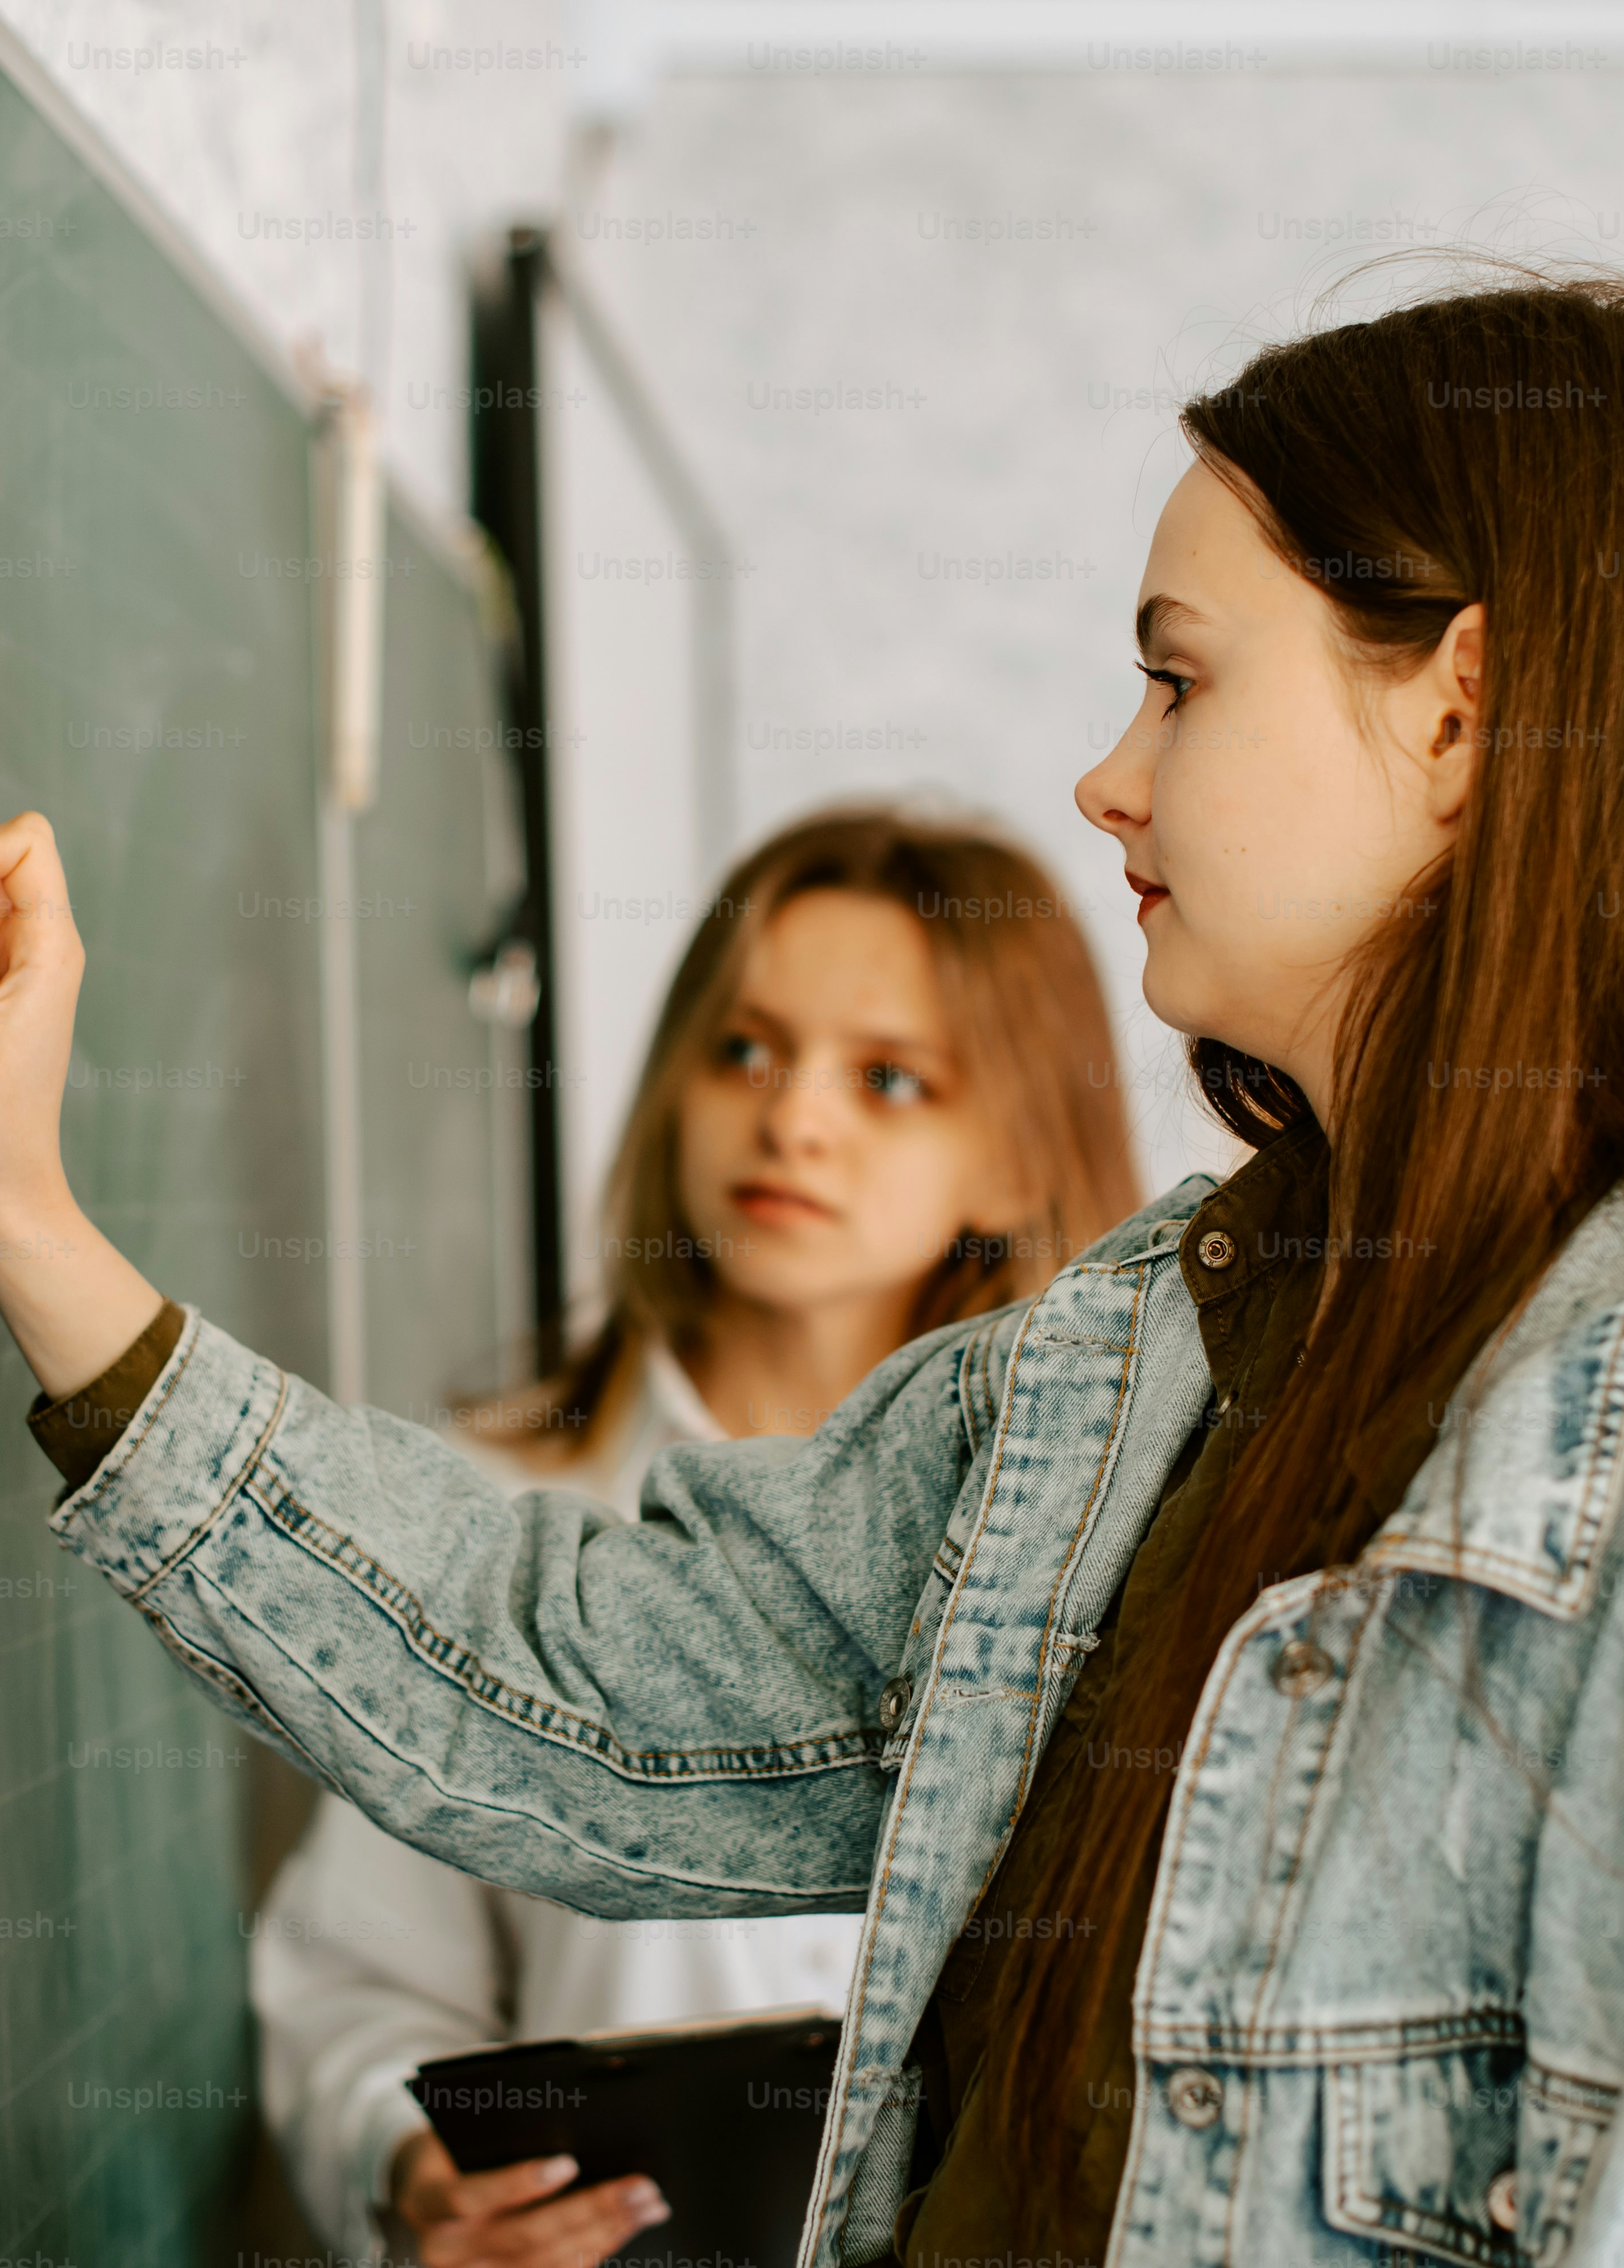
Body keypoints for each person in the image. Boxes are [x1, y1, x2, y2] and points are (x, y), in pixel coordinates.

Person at [0, 264, 1624, 2266]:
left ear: (1460, 715)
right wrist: (26, 1211)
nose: (1108, 773)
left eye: (1181, 679)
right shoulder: (1144, 1368)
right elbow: (565, 1687)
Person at [241, 809, 1141, 2264]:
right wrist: (418, 2177)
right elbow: (361, 1973)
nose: (793, 1118)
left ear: (1017, 1161)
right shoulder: (491, 1505)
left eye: (890, 1078)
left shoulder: (1103, 1554)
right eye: (745, 1050)